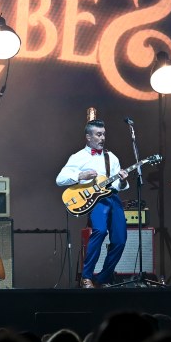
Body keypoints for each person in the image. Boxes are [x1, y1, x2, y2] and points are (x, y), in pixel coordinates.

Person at [56, 119, 129, 288]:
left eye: (104, 134)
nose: (102, 138)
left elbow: (119, 185)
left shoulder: (111, 157)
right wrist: (80, 176)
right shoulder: (78, 157)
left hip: (113, 198)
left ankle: (103, 278)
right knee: (100, 231)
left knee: (120, 240)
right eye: (98, 134)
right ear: (88, 137)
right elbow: (60, 180)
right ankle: (86, 276)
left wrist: (124, 181)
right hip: (96, 202)